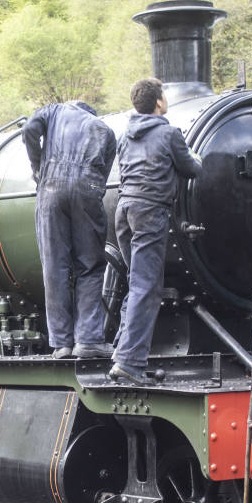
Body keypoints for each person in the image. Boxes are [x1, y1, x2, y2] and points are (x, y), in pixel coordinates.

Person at [110, 78, 202, 384]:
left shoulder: (125, 135)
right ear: (159, 103)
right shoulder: (168, 132)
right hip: (150, 211)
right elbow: (192, 168)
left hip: (124, 210)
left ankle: (121, 352)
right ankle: (130, 362)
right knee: (146, 286)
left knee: (137, 281)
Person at [22, 100, 117, 359]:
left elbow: (30, 129)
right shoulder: (105, 131)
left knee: (54, 267)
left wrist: (38, 167)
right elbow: (104, 176)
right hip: (89, 190)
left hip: (50, 189)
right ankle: (88, 340)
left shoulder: (54, 111)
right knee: (91, 265)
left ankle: (62, 343)